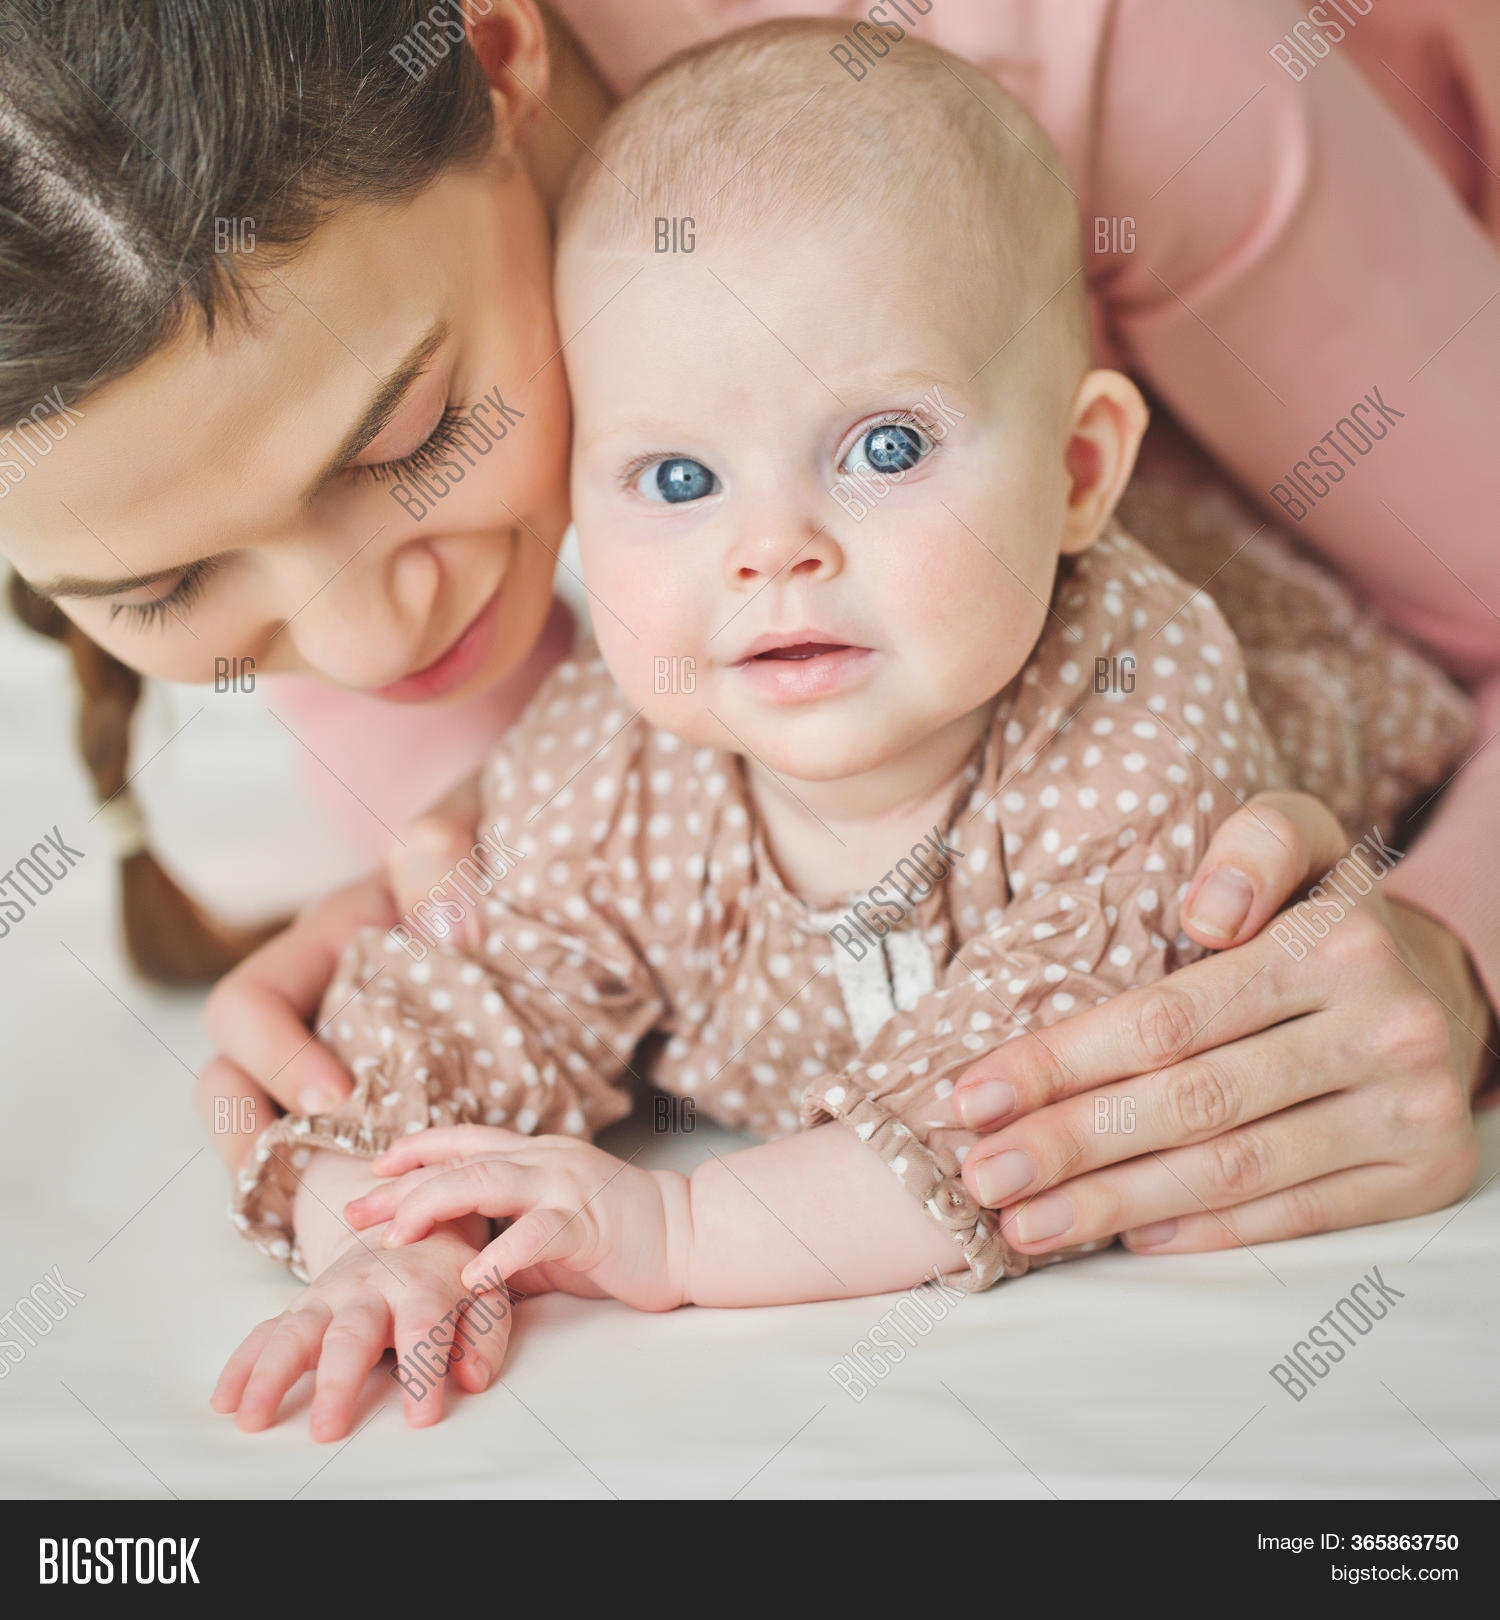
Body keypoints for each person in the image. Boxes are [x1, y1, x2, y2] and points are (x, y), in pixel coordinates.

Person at [0, 1, 1490, 1299]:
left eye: (410, 437)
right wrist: (376, 1193)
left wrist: (1461, 937)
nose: (359, 635)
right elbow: (564, 924)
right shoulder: (385, 563)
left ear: (503, 55)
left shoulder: (1094, 47)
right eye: (166, 583)